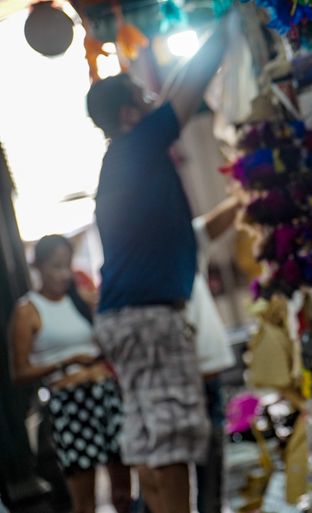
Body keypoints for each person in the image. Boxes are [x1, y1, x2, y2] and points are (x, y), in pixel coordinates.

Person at [86, 16, 230, 513]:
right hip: (148, 316)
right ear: (129, 113)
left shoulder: (122, 155)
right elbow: (188, 87)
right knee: (172, 438)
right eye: (143, 97)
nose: (154, 99)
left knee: (150, 439)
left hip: (125, 315)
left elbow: (169, 95)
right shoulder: (138, 145)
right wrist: (226, 24)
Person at [8, 235, 130, 513]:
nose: (64, 274)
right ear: (38, 266)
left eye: (67, 265)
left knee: (123, 492)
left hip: (105, 393)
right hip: (70, 404)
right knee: (85, 501)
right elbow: (19, 372)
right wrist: (66, 362)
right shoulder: (28, 311)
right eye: (56, 266)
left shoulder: (80, 300)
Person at [189, 195, 239, 513]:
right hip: (178, 377)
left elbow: (216, 222)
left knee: (211, 460)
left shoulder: (182, 241)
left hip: (206, 371)